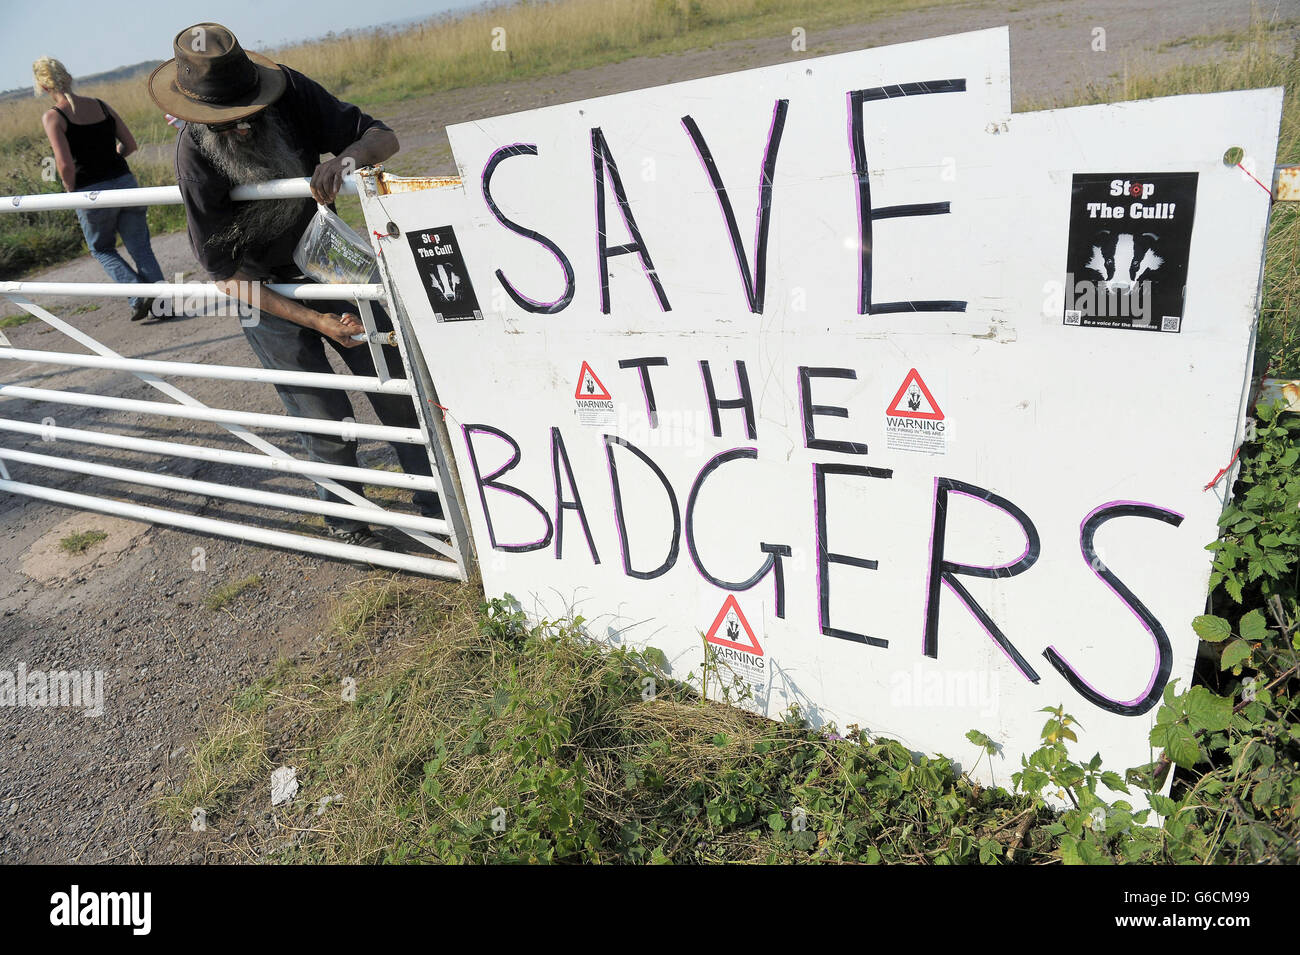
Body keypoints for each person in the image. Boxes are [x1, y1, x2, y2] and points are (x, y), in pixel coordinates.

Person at [148, 22, 442, 547]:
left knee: (395, 384)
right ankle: (348, 522)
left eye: (249, 114)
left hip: (327, 258)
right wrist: (316, 319)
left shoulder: (291, 91)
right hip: (261, 288)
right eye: (226, 121)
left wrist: (347, 160)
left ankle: (435, 504)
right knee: (319, 410)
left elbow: (384, 136)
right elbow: (226, 276)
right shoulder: (194, 159)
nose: (241, 127)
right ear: (196, 115)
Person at [34, 55, 165, 322]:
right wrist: (112, 159)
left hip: (91, 192)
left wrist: (70, 194)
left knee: (102, 249)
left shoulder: (53, 117)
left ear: (44, 87)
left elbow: (64, 165)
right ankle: (162, 304)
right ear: (68, 77)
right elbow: (130, 144)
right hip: (125, 184)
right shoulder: (101, 106)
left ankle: (138, 294)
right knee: (140, 247)